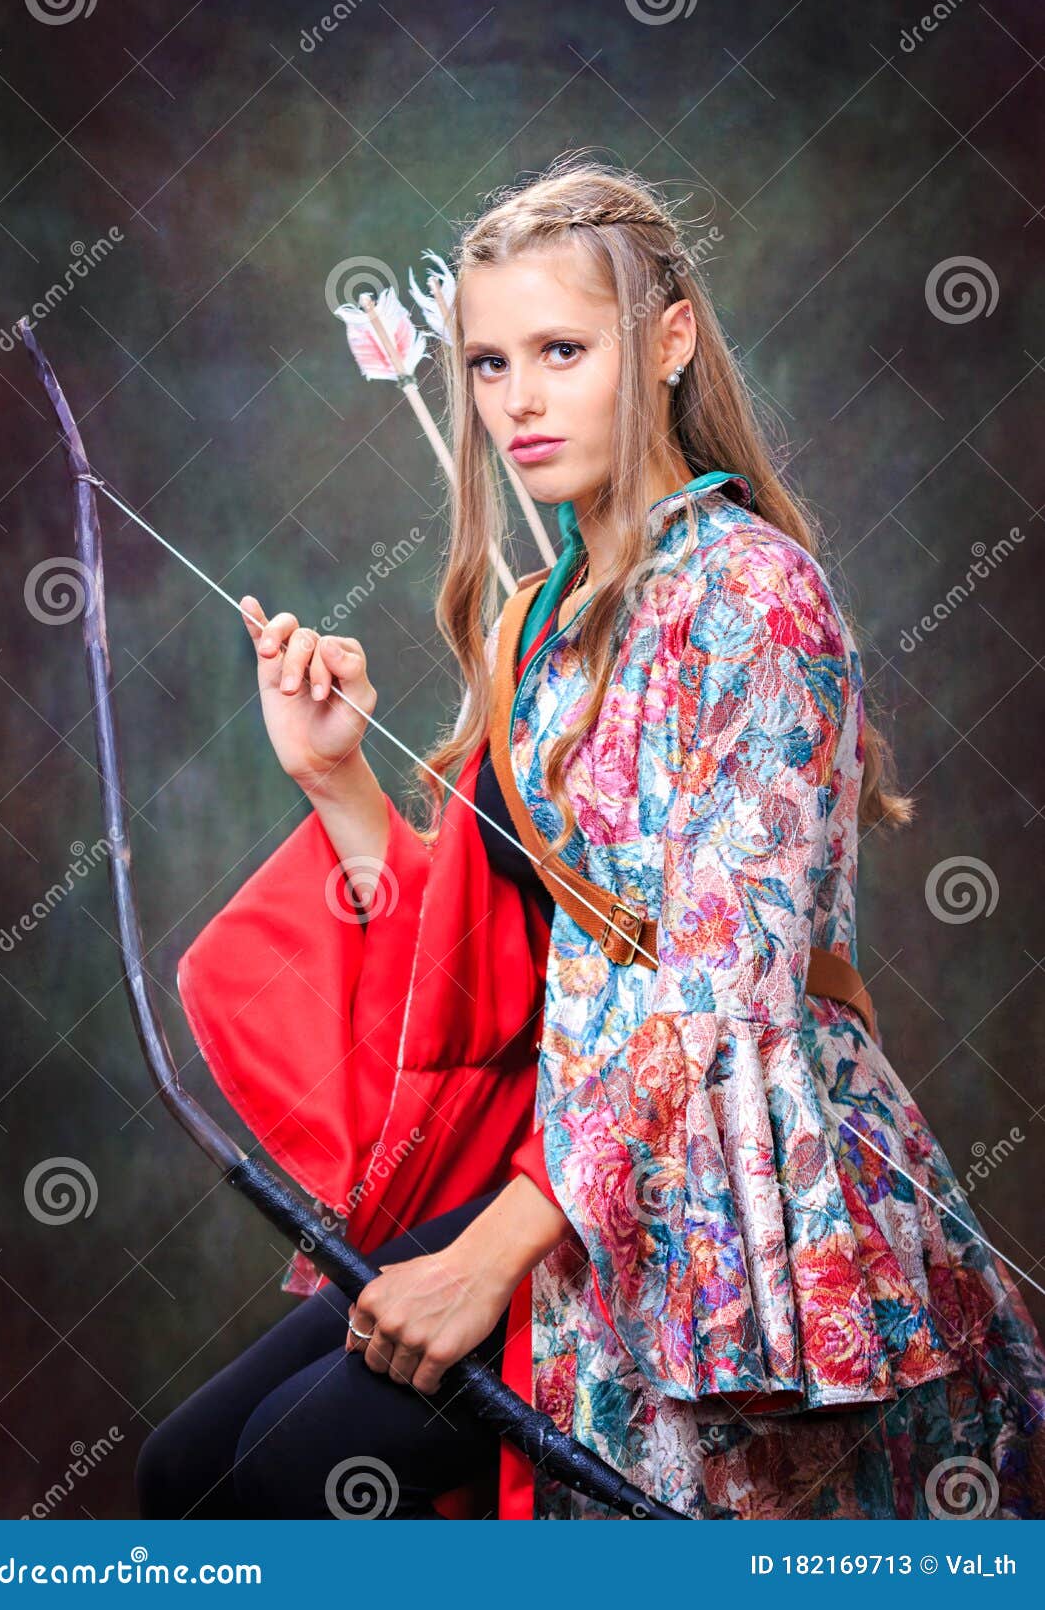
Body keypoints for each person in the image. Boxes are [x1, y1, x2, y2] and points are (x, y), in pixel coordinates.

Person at [136, 154, 1045, 1521]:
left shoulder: (749, 592)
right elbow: (502, 963)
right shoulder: (544, 625)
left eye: (563, 349)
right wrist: (337, 784)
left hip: (722, 1193)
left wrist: (489, 1254)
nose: (518, 401)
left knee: (280, 1485)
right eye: (491, 363)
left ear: (670, 338)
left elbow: (711, 999)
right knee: (184, 1469)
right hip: (568, 1158)